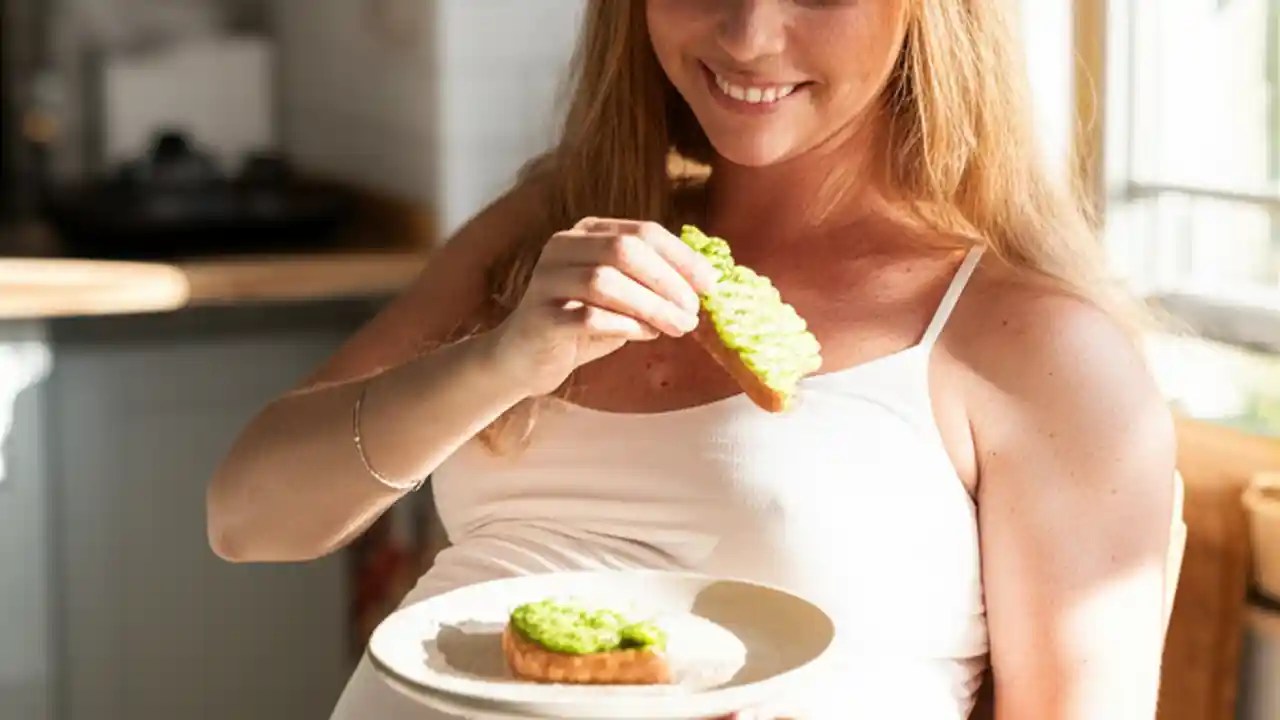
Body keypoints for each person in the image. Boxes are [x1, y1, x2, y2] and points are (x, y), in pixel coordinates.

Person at [206, 1, 1182, 717]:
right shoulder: (546, 231)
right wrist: (503, 362)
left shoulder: (1035, 346)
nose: (749, 34)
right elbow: (248, 518)